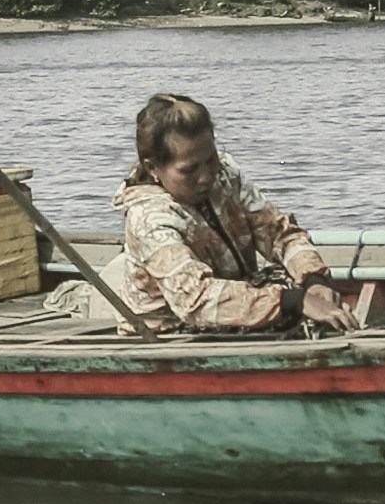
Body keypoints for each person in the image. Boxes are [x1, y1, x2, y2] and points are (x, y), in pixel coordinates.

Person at [115, 90, 357, 333]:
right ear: (153, 167)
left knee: (316, 302)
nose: (205, 177)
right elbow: (196, 300)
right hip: (170, 330)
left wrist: (313, 280)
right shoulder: (148, 219)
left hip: (235, 303)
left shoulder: (226, 176)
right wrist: (292, 301)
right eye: (189, 170)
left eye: (210, 161)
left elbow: (279, 234)